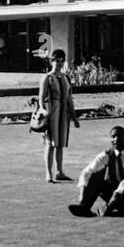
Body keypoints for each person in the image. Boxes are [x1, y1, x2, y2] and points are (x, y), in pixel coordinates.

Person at [68, 125, 124, 217]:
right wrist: (82, 197)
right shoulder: (107, 154)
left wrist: (110, 203)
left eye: (119, 136)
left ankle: (114, 207)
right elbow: (86, 173)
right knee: (95, 175)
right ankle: (84, 207)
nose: (116, 139)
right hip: (117, 196)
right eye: (113, 137)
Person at [37, 49, 82, 183]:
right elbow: (41, 97)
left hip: (63, 114)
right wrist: (43, 110)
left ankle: (59, 171)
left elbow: (69, 99)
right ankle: (48, 173)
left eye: (62, 60)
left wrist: (74, 117)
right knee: (50, 144)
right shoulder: (48, 77)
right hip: (52, 113)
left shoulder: (66, 78)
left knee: (60, 144)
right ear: (52, 61)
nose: (59, 63)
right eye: (57, 60)